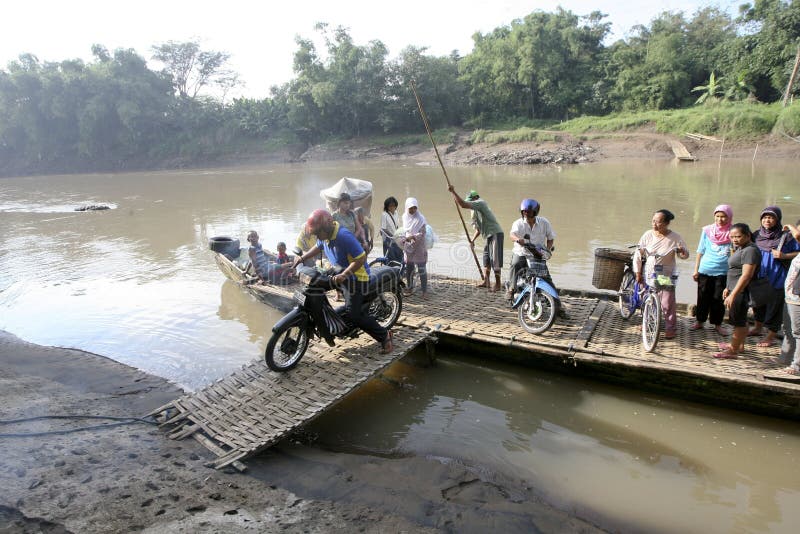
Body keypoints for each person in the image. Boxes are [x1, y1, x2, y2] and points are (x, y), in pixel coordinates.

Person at [291, 209, 393, 354]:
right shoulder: (324, 234)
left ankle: (385, 336)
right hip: (339, 269)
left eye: (317, 233)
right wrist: (302, 258)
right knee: (315, 285)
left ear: (325, 228)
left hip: (356, 277)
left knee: (354, 315)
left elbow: (361, 258)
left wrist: (344, 274)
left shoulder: (343, 236)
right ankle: (328, 321)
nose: (317, 236)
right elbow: (318, 245)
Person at [632, 209, 690, 340]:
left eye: (658, 222)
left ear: (667, 223)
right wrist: (637, 272)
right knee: (647, 298)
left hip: (665, 273)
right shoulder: (647, 235)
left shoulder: (675, 237)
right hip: (649, 271)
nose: (654, 225)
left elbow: (685, 255)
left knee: (667, 301)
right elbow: (638, 253)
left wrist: (681, 251)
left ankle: (670, 328)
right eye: (653, 221)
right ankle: (646, 321)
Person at [748, 206, 800, 347]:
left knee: (774, 306)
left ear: (777, 219)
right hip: (759, 274)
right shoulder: (757, 234)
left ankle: (770, 335)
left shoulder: (786, 236)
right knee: (758, 303)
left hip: (777, 275)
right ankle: (758, 327)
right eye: (765, 217)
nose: (767, 220)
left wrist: (784, 255)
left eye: (771, 217)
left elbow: (798, 252)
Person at [715, 223, 760, 359]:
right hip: (734, 289)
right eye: (732, 237)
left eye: (738, 236)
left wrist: (733, 294)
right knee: (739, 319)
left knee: (738, 321)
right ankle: (739, 346)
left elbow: (746, 275)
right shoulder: (742, 248)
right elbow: (735, 271)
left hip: (740, 291)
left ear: (747, 235)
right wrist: (727, 288)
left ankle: (732, 351)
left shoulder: (750, 251)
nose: (734, 239)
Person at [447, 185, 504, 291]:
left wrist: (453, 192)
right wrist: (472, 241)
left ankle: (498, 284)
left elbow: (463, 205)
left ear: (475, 198)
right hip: (487, 235)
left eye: (471, 201)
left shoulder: (481, 203)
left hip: (495, 233)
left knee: (495, 260)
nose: (471, 203)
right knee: (486, 258)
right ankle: (486, 281)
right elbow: (478, 229)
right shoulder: (474, 211)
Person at [691, 204, 733, 335]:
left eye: (723, 216)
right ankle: (699, 321)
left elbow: (735, 252)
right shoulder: (707, 230)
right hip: (705, 269)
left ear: (729, 217)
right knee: (702, 297)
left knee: (718, 298)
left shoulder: (733, 232)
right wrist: (696, 269)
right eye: (717, 216)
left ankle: (717, 324)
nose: (720, 219)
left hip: (723, 271)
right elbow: (700, 250)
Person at [506, 198, 556, 299]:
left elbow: (550, 238)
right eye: (524, 212)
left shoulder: (544, 223)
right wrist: (518, 240)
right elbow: (512, 234)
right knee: (515, 264)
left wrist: (547, 249)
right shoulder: (518, 223)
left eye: (529, 212)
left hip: (537, 254)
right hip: (521, 252)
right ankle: (511, 289)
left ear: (535, 212)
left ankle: (555, 299)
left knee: (546, 278)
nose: (526, 214)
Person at [780, 221, 800, 375]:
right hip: (791, 297)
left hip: (797, 298)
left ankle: (796, 366)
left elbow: (798, 236)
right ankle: (787, 359)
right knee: (789, 329)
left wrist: (789, 225)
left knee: (798, 332)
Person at [401, 197, 429, 298]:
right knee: (409, 269)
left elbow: (422, 233)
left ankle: (424, 291)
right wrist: (403, 238)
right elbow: (404, 231)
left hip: (419, 247)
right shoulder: (404, 217)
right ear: (406, 208)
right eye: (410, 208)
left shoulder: (421, 219)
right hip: (408, 247)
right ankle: (409, 287)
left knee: (421, 269)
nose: (412, 210)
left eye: (414, 208)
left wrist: (413, 237)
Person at [380, 196, 404, 265]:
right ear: (387, 207)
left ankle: (399, 269)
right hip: (388, 239)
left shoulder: (396, 213)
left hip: (396, 237)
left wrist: (399, 234)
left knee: (399, 254)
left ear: (396, 206)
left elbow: (397, 225)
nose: (392, 208)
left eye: (393, 206)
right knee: (390, 256)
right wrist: (392, 236)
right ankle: (390, 269)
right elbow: (383, 228)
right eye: (390, 206)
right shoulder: (384, 215)